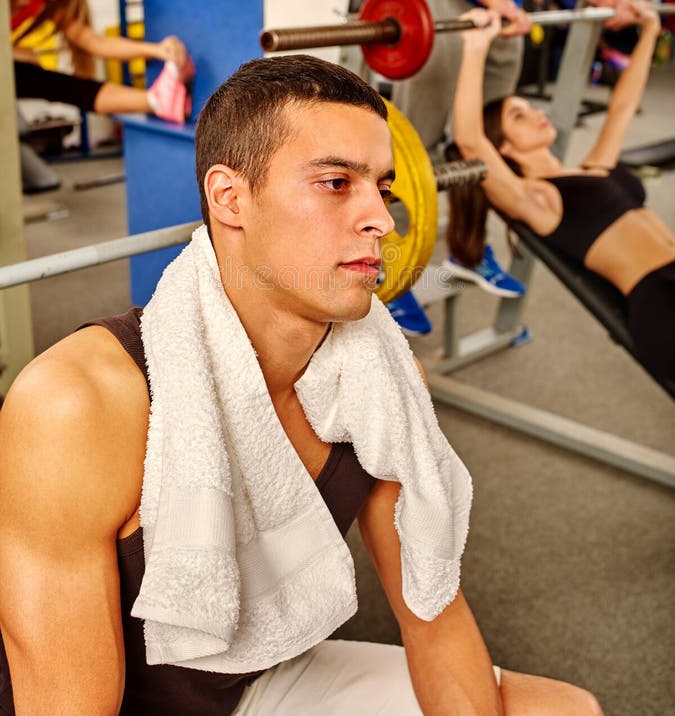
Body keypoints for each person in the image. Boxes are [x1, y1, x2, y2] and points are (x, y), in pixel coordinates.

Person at [0, 54, 604, 715]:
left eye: (383, 189)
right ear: (229, 198)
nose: (379, 218)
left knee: (562, 709)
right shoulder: (77, 402)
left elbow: (431, 614)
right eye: (336, 183)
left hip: (247, 682)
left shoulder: (377, 379)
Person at [389, 0, 640, 310]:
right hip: (446, 0)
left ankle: (466, 249)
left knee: (487, 139)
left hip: (506, 10)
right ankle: (390, 271)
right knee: (414, 141)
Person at [449, 2, 674, 382]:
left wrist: (650, 30)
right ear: (502, 148)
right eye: (519, 116)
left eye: (529, 106)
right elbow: (470, 142)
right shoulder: (537, 199)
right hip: (662, 304)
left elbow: (622, 108)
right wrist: (475, 46)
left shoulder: (592, 168)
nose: (538, 113)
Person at [9, 0, 193, 124]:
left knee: (56, 84)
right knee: (26, 73)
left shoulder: (45, 0)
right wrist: (14, 53)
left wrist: (158, 50)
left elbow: (92, 41)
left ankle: (156, 100)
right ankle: (155, 100)